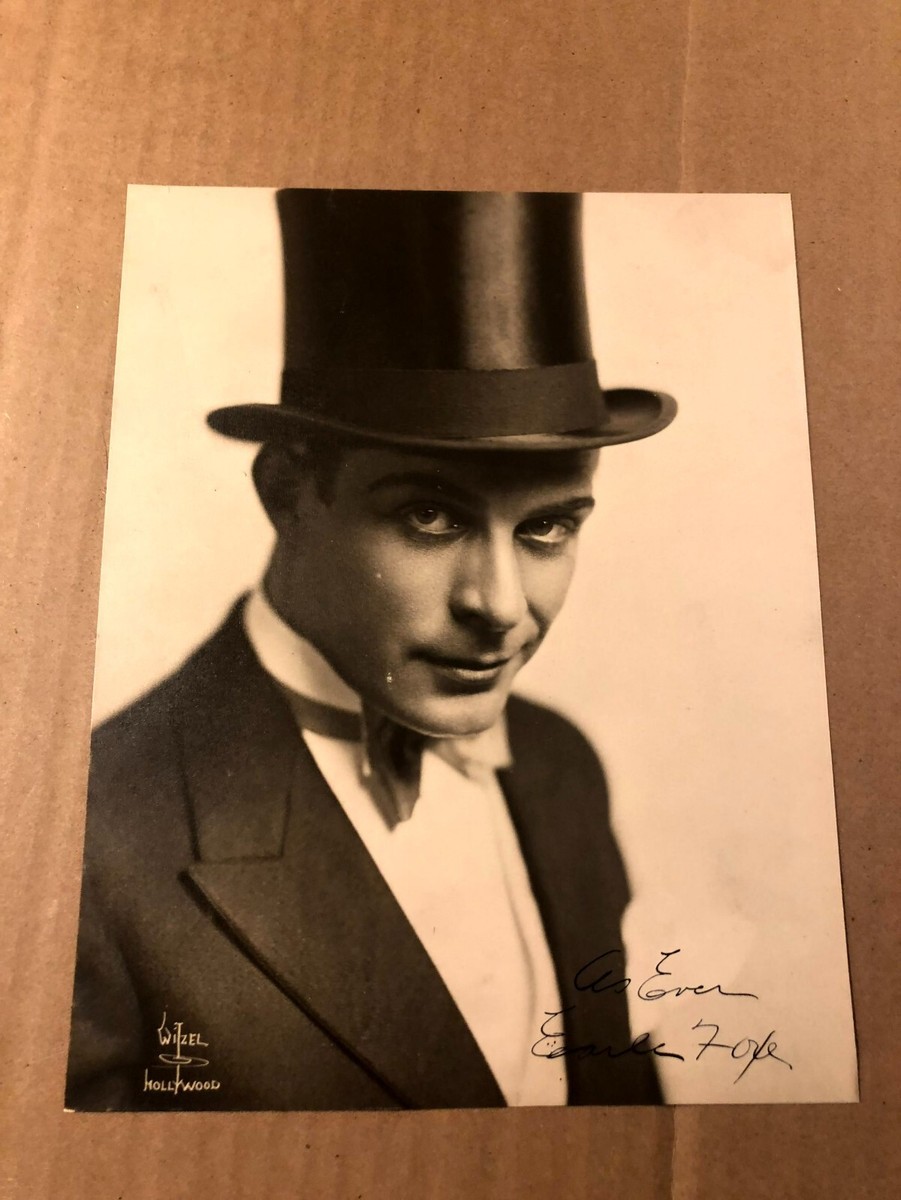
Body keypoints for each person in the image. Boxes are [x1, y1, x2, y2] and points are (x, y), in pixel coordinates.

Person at [65, 189, 676, 1111]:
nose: (499, 606)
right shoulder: (90, 845)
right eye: (429, 516)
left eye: (547, 527)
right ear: (286, 493)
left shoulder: (559, 766)